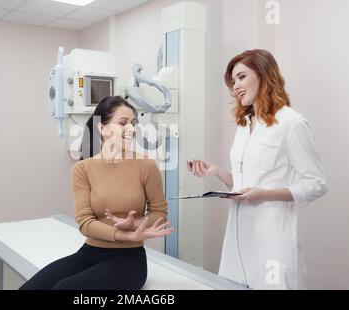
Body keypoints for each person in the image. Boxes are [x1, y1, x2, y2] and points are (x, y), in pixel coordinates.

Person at [188, 49, 328, 289]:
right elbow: (244, 183)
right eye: (233, 82)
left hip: (272, 239)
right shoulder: (244, 125)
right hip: (237, 238)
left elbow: (317, 183)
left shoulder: (291, 122)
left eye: (241, 77)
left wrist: (264, 194)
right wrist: (217, 172)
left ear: (263, 75)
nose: (236, 87)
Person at [20, 96, 174, 290]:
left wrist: (134, 223)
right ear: (102, 128)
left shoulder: (146, 166)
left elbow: (159, 213)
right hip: (90, 252)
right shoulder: (82, 169)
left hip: (129, 259)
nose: (132, 129)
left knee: (65, 289)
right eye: (123, 123)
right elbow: (85, 222)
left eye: (133, 123)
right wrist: (126, 234)